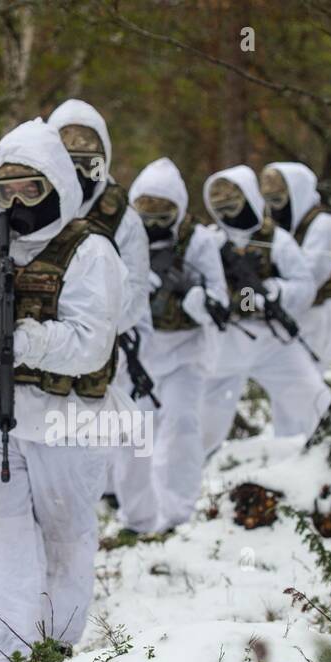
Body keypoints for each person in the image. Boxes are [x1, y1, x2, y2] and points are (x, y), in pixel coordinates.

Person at [0, 119, 128, 662]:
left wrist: (26, 341)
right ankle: (8, 653)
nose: (16, 202)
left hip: (69, 422)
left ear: (57, 185)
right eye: (4, 190)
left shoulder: (89, 251)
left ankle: (56, 647)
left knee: (66, 535)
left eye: (30, 189)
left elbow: (91, 344)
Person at [45, 100, 156, 533]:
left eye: (86, 160)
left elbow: (134, 294)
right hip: (41, 352)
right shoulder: (35, 200)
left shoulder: (123, 219)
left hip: (106, 352)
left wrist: (86, 319)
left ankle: (128, 515)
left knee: (111, 437)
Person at [128, 157, 228, 530]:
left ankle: (178, 511)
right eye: (146, 213)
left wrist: (196, 300)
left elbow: (220, 297)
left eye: (162, 214)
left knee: (182, 426)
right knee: (135, 436)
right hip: (139, 353)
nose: (153, 224)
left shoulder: (197, 240)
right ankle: (136, 513)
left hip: (186, 350)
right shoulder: (126, 236)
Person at [199, 165, 325, 456]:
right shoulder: (210, 241)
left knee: (315, 404)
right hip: (225, 343)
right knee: (199, 426)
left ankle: (325, 467)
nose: (229, 216)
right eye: (221, 210)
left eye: (234, 206)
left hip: (273, 341)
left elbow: (305, 286)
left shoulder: (277, 239)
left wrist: (274, 292)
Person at [260, 162, 331, 377]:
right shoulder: (282, 229)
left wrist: (272, 283)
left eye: (278, 200)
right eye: (268, 202)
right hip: (297, 316)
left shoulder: (324, 225)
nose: (274, 208)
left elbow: (310, 277)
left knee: (322, 381)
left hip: (324, 317)